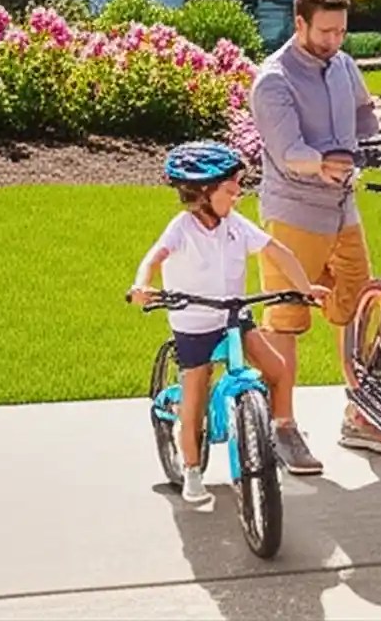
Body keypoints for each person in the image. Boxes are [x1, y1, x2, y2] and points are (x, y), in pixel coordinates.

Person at [247, 0, 381, 473]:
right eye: (326, 31)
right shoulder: (273, 80)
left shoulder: (344, 66)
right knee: (285, 321)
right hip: (294, 214)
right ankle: (282, 427)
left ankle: (359, 412)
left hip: (343, 211)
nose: (335, 41)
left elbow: (363, 111)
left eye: (341, 31)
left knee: (359, 311)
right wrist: (326, 163)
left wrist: (371, 139)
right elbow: (289, 152)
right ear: (300, 23)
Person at [129, 141, 327, 503]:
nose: (237, 193)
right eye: (229, 188)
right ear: (204, 193)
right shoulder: (182, 228)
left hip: (234, 316)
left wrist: (306, 288)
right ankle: (190, 470)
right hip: (195, 324)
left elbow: (276, 251)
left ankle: (275, 433)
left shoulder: (236, 224)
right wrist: (143, 285)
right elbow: (154, 258)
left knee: (278, 369)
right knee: (195, 398)